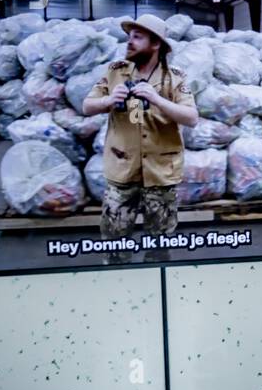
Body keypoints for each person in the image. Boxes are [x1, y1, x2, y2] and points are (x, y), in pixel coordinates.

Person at [83, 14, 200, 263]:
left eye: (137, 37)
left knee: (159, 243)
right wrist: (107, 101)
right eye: (129, 37)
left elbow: (191, 118)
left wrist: (157, 99)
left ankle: (155, 286)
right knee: (114, 241)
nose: (130, 42)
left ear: (155, 44)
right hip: (122, 171)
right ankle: (118, 286)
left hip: (160, 173)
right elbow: (87, 106)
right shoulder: (115, 72)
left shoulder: (174, 77)